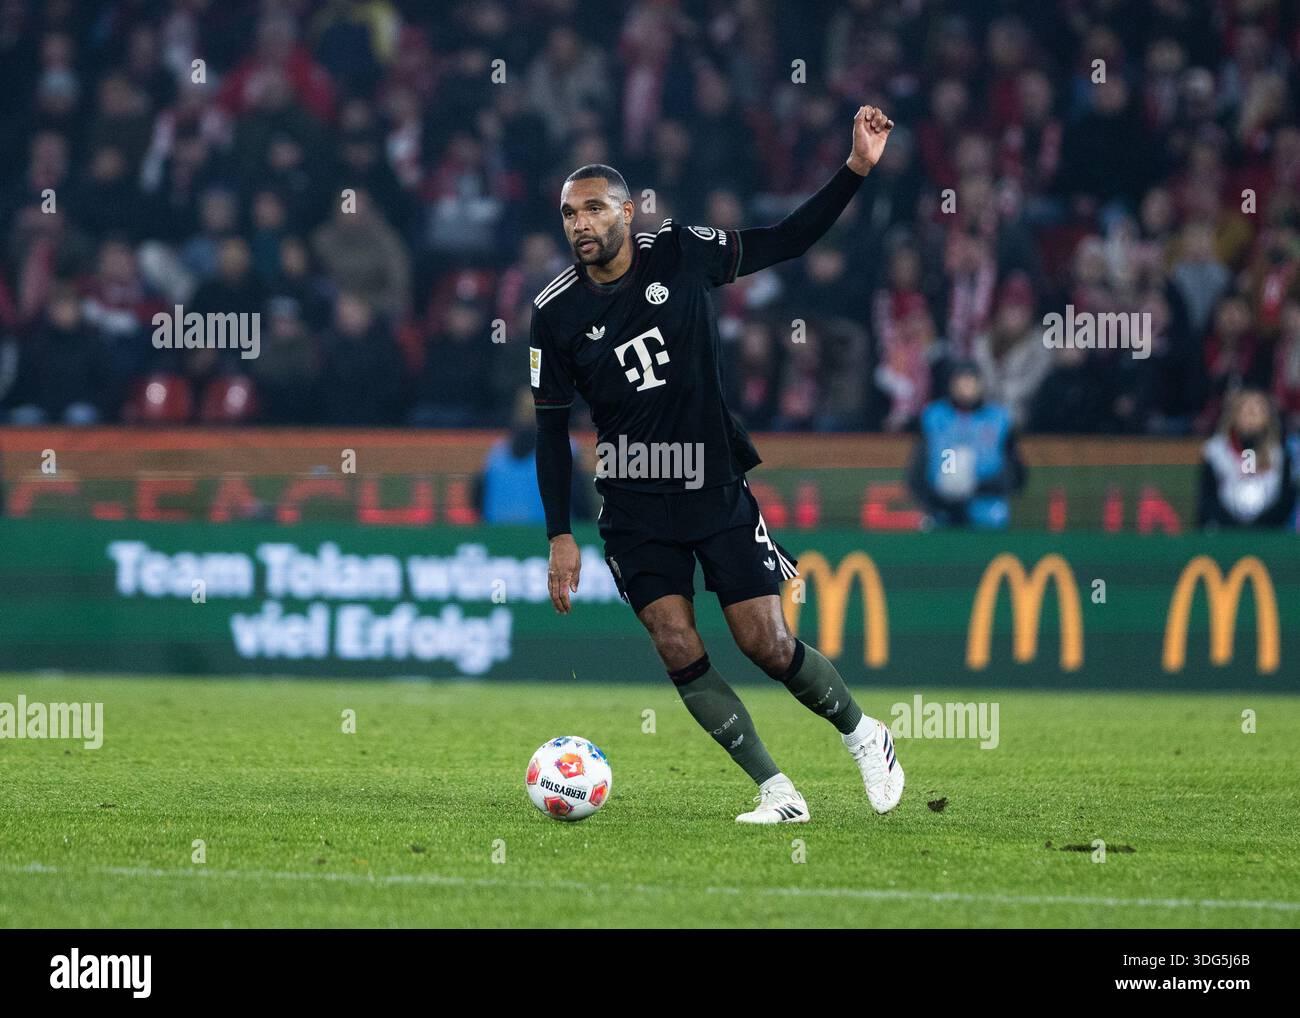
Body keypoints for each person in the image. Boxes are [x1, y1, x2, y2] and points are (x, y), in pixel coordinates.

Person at [530, 106, 904, 825]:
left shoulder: (679, 251)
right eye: (569, 213)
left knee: (765, 642)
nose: (580, 224)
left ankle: (865, 734)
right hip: (632, 502)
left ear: (628, 212)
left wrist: (856, 169)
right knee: (676, 642)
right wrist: (560, 533)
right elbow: (551, 430)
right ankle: (777, 791)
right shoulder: (555, 311)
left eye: (595, 208)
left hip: (713, 484)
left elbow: (787, 239)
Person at [907, 361, 1027, 529]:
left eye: (971, 381)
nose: (966, 387)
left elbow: (1015, 473)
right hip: (941, 513)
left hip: (988, 515)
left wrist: (978, 486)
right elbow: (917, 469)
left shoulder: (998, 419)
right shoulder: (934, 417)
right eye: (961, 381)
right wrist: (937, 496)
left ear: (981, 384)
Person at [1197, 388, 1297, 528]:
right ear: (1234, 415)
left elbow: (1286, 498)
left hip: (1269, 532)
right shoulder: (1215, 452)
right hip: (1224, 531)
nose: (1251, 414)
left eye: (1258, 409)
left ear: (1268, 416)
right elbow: (1207, 499)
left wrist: (1259, 527)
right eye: (1245, 408)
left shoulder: (1279, 454)